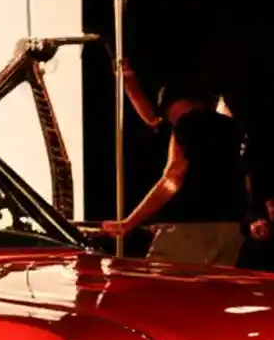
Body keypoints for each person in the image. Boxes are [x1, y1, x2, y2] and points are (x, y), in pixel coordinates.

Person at [101, 80, 251, 266]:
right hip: (231, 230)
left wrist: (129, 222)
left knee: (161, 282)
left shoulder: (188, 124)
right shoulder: (233, 128)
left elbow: (173, 177)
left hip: (187, 229)